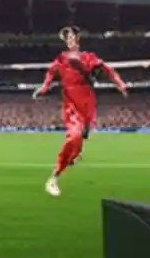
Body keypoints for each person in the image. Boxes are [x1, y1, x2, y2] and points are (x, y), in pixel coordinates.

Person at [33, 26, 127, 197]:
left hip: (87, 104)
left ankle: (73, 156)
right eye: (67, 37)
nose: (70, 39)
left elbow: (106, 69)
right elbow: (50, 72)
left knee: (77, 143)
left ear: (78, 39)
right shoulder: (61, 58)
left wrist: (119, 83)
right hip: (71, 105)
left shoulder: (88, 58)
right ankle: (53, 178)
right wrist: (44, 87)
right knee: (74, 136)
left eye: (72, 36)